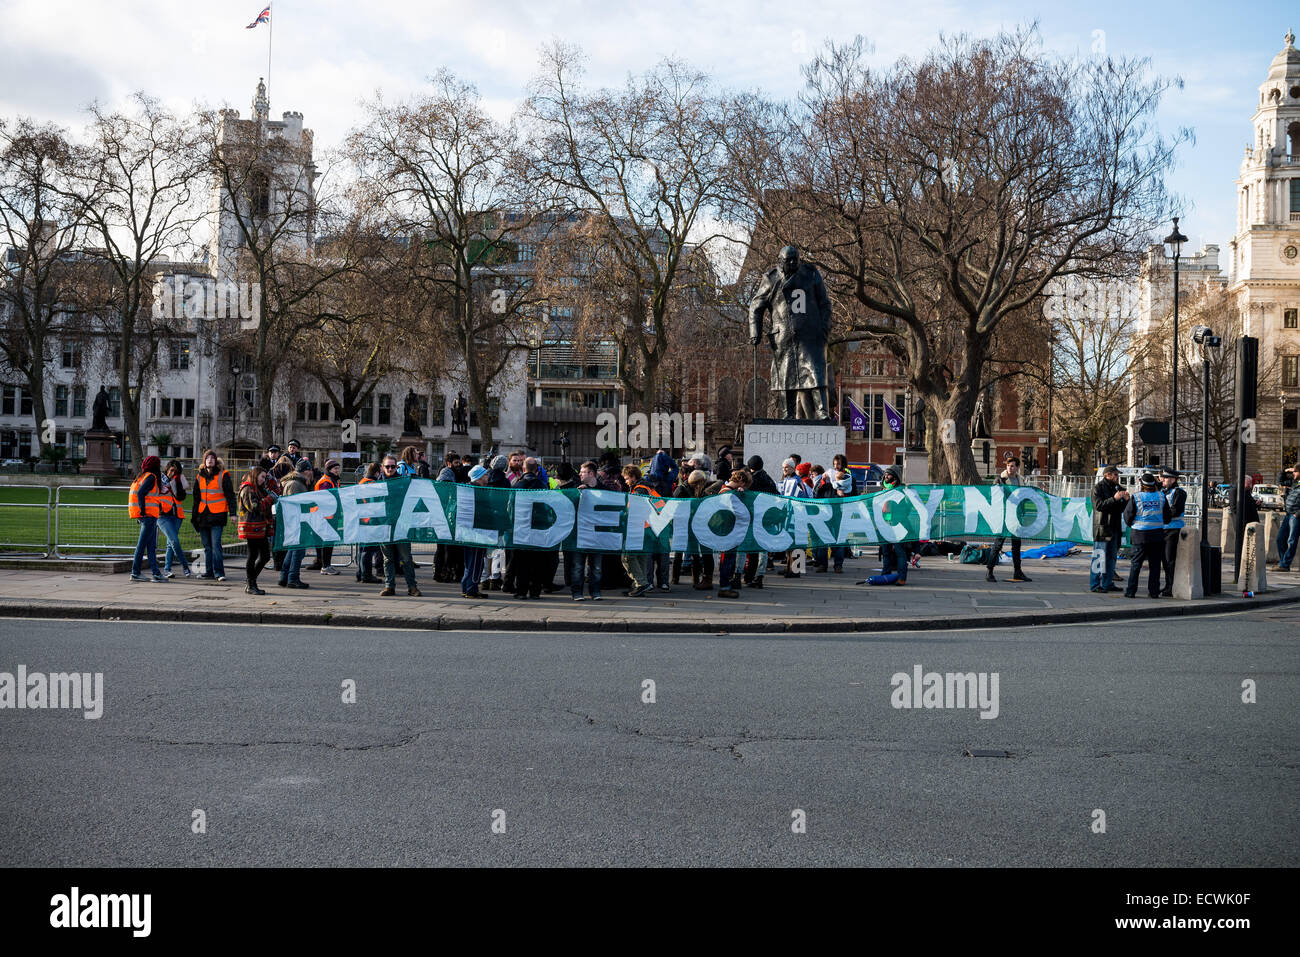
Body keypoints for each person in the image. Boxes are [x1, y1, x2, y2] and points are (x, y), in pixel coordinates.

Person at [1122, 471, 1172, 598]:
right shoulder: (1161, 497)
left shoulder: (1136, 497)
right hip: (1156, 535)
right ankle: (1154, 592)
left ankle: (1131, 591)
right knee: (1155, 566)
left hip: (1139, 535)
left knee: (1136, 565)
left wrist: (1135, 525)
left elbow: (1127, 516)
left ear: (1141, 484)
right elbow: (1167, 517)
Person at [378, 454, 421, 597]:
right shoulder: (376, 485)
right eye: (387, 466)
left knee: (406, 558)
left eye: (392, 466)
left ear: (397, 467)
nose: (390, 469)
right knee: (388, 558)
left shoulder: (403, 482)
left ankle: (412, 587)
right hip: (385, 525)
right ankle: (389, 586)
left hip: (402, 525)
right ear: (382, 467)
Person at [985, 456, 1031, 584]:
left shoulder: (1020, 480)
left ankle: (1018, 571)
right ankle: (990, 571)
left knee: (1016, 546)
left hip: (1016, 517)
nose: (1010, 468)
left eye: (1013, 466)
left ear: (1017, 467)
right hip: (1004, 516)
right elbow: (993, 496)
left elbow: (1024, 496)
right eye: (1008, 466)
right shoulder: (1001, 479)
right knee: (998, 544)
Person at [192, 449, 235, 581]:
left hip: (217, 515)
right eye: (207, 458)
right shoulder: (199, 476)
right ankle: (209, 572)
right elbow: (196, 498)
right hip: (203, 515)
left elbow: (230, 496)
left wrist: (233, 514)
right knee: (207, 547)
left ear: (215, 461)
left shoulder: (223, 475)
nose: (210, 460)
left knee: (216, 545)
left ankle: (219, 573)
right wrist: (194, 518)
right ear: (204, 461)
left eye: (212, 458)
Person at [511, 457, 549, 600]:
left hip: (521, 528)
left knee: (521, 562)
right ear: (536, 470)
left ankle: (521, 591)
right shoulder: (543, 485)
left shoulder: (517, 485)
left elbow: (511, 507)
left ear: (524, 469)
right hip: (538, 528)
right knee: (538, 561)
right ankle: (535, 591)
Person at [237, 465, 277, 595]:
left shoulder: (259, 489)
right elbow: (254, 506)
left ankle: (251, 581)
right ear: (255, 475)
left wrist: (271, 480)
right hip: (252, 527)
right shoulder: (247, 488)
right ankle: (251, 583)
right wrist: (269, 499)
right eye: (262, 477)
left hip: (260, 527)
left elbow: (276, 491)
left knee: (265, 556)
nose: (263, 480)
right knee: (253, 555)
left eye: (265, 477)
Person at [1090, 465, 1130, 593]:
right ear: (1107, 475)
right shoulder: (1098, 488)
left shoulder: (1118, 488)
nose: (1118, 477)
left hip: (1115, 527)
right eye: (1115, 475)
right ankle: (1095, 584)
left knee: (1112, 557)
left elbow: (1121, 509)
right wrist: (1115, 498)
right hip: (1102, 527)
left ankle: (1108, 583)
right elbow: (1098, 505)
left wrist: (1126, 501)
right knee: (1099, 557)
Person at [128, 455, 167, 583]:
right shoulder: (151, 477)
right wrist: (143, 510)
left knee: (151, 546)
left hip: (147, 515)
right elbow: (141, 493)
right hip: (148, 515)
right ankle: (135, 572)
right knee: (142, 545)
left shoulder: (142, 476)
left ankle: (156, 573)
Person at [568, 461, 603, 601]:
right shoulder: (577, 489)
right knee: (577, 566)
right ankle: (577, 592)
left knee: (597, 567)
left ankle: (595, 591)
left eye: (582, 472)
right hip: (580, 534)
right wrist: (578, 495)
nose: (580, 474)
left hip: (597, 535)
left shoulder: (604, 490)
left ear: (591, 474)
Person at [715, 468, 752, 597]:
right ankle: (724, 587)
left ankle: (726, 584)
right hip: (729, 531)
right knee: (728, 559)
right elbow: (740, 513)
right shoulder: (728, 494)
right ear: (741, 481)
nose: (744, 487)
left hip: (726, 530)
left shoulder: (726, 490)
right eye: (744, 484)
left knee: (728, 559)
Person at [743, 454, 778, 588]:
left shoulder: (753, 480)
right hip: (767, 517)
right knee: (762, 549)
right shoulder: (768, 478)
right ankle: (759, 576)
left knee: (752, 549)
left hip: (755, 517)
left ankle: (750, 576)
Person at [276, 461, 311, 589]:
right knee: (298, 550)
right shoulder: (295, 484)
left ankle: (285, 577)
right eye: (309, 470)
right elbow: (295, 504)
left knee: (292, 550)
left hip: (294, 521)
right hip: (296, 521)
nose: (310, 473)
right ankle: (293, 578)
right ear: (304, 470)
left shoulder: (296, 482)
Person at [460, 464, 492, 598]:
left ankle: (466, 586)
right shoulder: (479, 491)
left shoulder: (466, 489)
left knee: (469, 561)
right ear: (479, 477)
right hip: (478, 531)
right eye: (485, 474)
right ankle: (472, 589)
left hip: (466, 531)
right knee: (477, 561)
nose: (487, 476)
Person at [622, 464, 653, 598]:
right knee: (640, 557)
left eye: (627, 478)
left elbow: (636, 510)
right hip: (647, 528)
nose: (625, 481)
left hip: (638, 527)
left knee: (627, 556)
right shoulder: (646, 487)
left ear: (633, 477)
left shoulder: (639, 490)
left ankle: (641, 583)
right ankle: (640, 585)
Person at [160, 460, 193, 578]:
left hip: (177, 515)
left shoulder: (178, 480)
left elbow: (181, 497)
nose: (172, 472)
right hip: (163, 516)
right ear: (167, 468)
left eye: (175, 470)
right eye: (171, 469)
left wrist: (175, 481)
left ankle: (167, 569)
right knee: (174, 541)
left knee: (170, 543)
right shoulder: (159, 479)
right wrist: (168, 480)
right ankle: (185, 566)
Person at [877, 465, 909, 585]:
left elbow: (907, 508)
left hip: (897, 524)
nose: (886, 476)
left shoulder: (901, 490)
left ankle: (902, 577)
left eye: (889, 474)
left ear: (895, 476)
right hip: (884, 523)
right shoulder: (882, 489)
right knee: (886, 551)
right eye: (885, 474)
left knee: (899, 551)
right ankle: (885, 574)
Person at [1158, 467, 1186, 596]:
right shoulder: (1163, 491)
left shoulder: (1179, 492)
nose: (1163, 480)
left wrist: (1161, 517)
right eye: (1163, 477)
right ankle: (1167, 585)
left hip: (1173, 529)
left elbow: (1176, 510)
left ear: (1173, 479)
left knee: (1170, 559)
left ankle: (1171, 586)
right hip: (1163, 529)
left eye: (1166, 478)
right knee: (1164, 559)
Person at [314, 459, 342, 575]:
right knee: (327, 541)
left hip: (329, 516)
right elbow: (325, 499)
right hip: (326, 516)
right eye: (335, 468)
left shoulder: (331, 480)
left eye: (338, 468)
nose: (337, 471)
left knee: (328, 541)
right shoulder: (326, 482)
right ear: (329, 469)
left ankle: (326, 565)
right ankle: (325, 566)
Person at [1278, 465, 1300, 571]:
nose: (1293, 474)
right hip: (1288, 514)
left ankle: (1285, 564)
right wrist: (1284, 471)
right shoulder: (1294, 482)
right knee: (1280, 539)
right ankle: (1283, 562)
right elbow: (1281, 481)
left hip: (1296, 516)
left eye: (1295, 472)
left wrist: (1298, 513)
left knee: (1292, 541)